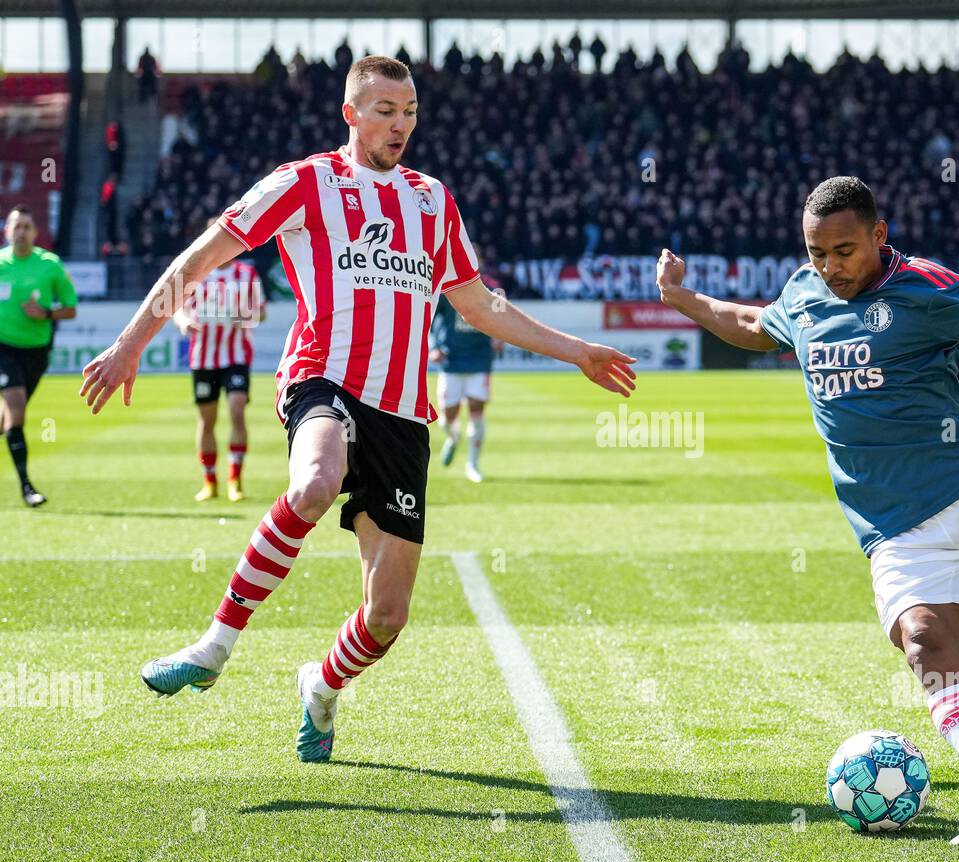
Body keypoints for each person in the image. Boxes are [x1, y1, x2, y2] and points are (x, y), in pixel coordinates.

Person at [80, 55, 636, 762]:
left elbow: (478, 304)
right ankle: (214, 646)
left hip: (403, 414)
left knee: (386, 617)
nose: (399, 124)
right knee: (312, 483)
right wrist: (131, 343)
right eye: (384, 110)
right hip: (324, 381)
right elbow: (198, 259)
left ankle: (320, 686)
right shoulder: (305, 183)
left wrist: (576, 351)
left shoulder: (432, 199)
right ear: (351, 113)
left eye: (408, 112)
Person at [656, 176, 959, 845]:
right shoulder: (804, 295)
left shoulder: (925, 286)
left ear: (878, 235)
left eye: (844, 250)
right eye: (817, 253)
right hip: (890, 523)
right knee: (927, 644)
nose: (831, 267)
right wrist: (681, 298)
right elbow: (752, 325)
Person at [173, 217, 264, 502]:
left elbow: (261, 312)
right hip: (203, 358)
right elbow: (178, 309)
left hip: (236, 355)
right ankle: (209, 482)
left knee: (237, 410)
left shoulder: (246, 275)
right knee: (207, 419)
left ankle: (235, 481)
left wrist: (244, 317)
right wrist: (184, 323)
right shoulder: (197, 274)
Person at [0, 205, 78, 506]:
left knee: (8, 421)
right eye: (16, 226)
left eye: (26, 227)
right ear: (7, 230)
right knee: (17, 409)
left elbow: (70, 309)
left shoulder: (50, 265)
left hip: (36, 352)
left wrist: (45, 312)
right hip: (3, 348)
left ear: (35, 232)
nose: (20, 232)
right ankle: (27, 488)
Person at [431, 248, 501, 483]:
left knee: (476, 412)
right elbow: (430, 317)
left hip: (479, 359)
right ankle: (452, 438)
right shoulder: (446, 286)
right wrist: (433, 347)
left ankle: (473, 464)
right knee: (447, 417)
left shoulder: (493, 288)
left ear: (480, 261)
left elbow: (504, 317)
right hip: (451, 360)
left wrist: (500, 338)